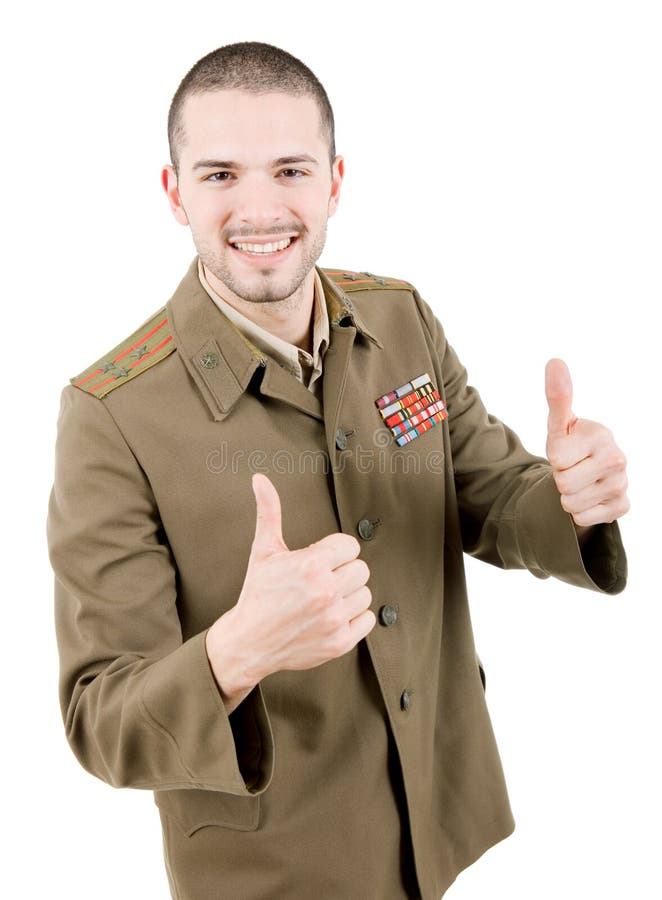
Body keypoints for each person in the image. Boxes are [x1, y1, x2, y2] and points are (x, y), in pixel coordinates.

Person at [47, 41, 629, 900]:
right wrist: (235, 654)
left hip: (439, 817)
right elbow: (100, 716)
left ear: (335, 180)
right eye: (219, 176)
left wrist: (574, 498)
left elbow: (495, 496)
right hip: (276, 872)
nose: (259, 207)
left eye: (290, 169)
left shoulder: (401, 318)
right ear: (174, 193)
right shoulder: (109, 415)